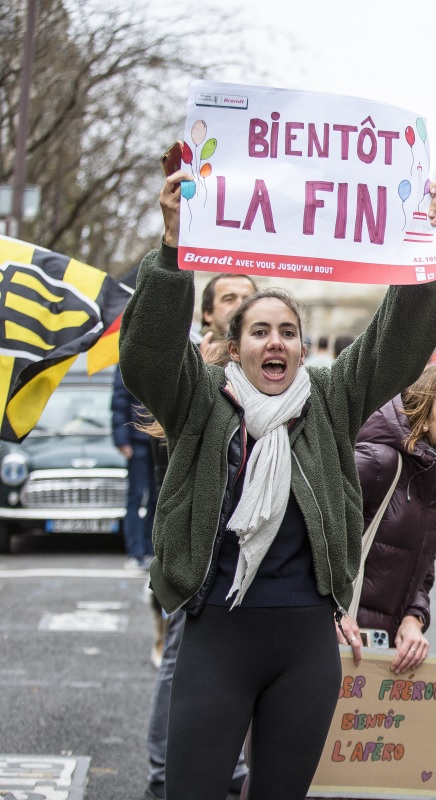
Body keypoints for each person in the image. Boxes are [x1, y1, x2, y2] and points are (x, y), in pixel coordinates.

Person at [120, 159, 436, 800]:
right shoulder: (201, 399)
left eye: (288, 332)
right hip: (216, 632)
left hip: (305, 642)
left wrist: (425, 253)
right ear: (234, 343)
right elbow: (147, 355)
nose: (275, 342)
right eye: (260, 331)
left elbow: (396, 346)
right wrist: (171, 245)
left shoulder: (329, 396)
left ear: (304, 347)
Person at [142, 270, 257, 800]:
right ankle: (166, 773)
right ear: (207, 315)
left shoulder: (271, 374)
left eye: (249, 297)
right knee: (183, 659)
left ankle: (229, 767)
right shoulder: (196, 376)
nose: (241, 303)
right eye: (229, 297)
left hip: (252, 558)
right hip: (199, 554)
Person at [339, 361, 436, 671]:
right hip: (327, 643)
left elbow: (423, 565)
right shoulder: (379, 463)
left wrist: (414, 618)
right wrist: (330, 612)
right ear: (424, 418)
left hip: (376, 652)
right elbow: (306, 534)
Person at [112, 366, 156, 571]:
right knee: (136, 497)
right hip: (137, 442)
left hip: (159, 441)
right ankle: (135, 553)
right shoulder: (126, 362)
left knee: (157, 498)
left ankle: (150, 550)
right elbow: (119, 401)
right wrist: (122, 441)